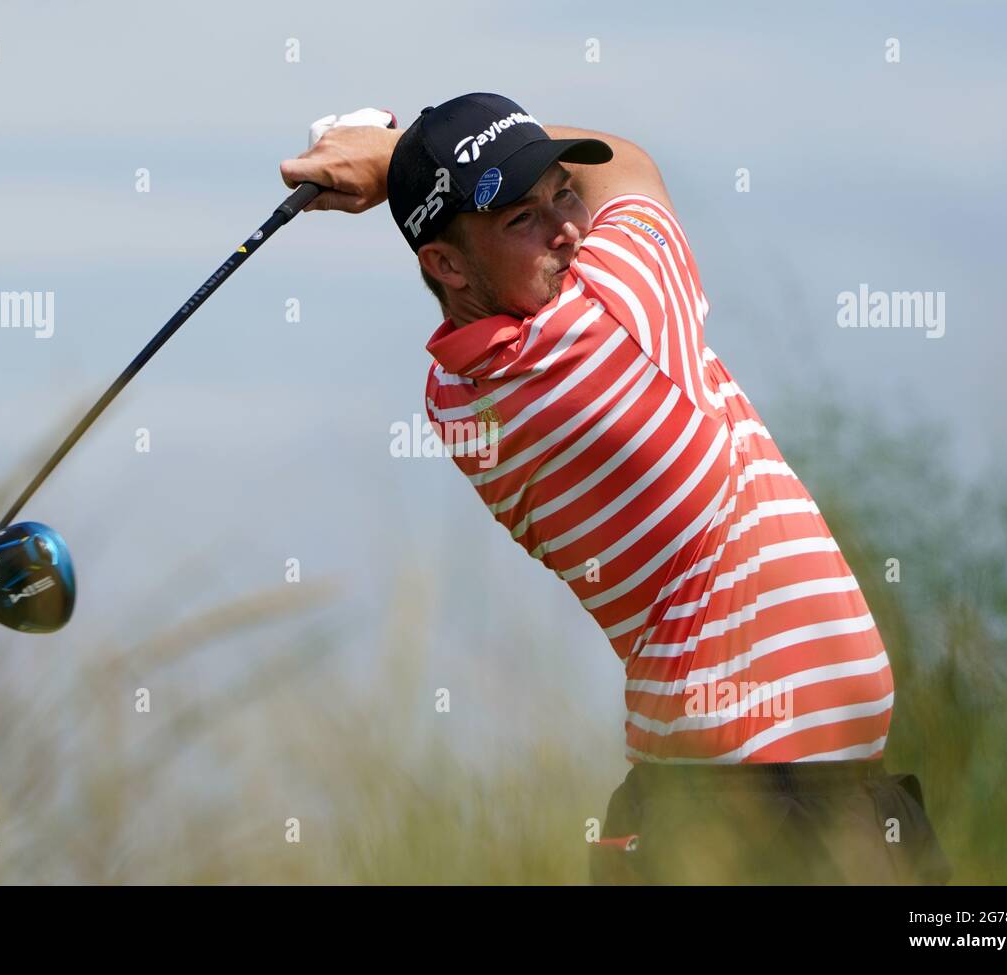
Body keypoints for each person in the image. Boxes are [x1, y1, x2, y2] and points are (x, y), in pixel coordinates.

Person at [280, 93, 951, 884]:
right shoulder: (612, 324)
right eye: (521, 218)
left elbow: (552, 211)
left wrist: (426, 163)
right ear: (447, 265)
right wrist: (396, 156)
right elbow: (628, 162)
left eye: (562, 191)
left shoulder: (454, 401)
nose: (567, 226)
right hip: (758, 813)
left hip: (718, 801)